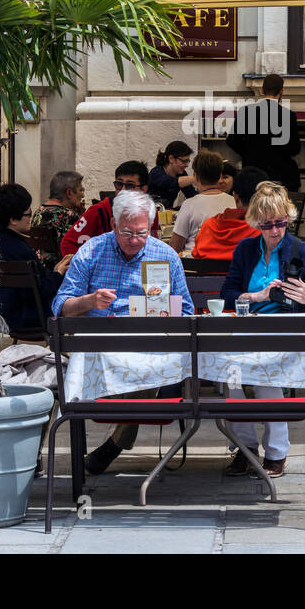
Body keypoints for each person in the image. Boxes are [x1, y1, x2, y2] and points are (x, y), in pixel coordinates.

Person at [51, 191, 194, 475]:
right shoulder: (92, 251)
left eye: (141, 233)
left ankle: (116, 442)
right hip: (98, 347)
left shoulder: (164, 254)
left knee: (150, 365)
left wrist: (164, 311)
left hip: (146, 347)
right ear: (114, 225)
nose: (134, 239)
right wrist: (90, 301)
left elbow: (187, 312)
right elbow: (60, 306)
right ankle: (117, 438)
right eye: (127, 232)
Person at [219, 181, 305, 478]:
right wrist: (258, 296)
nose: (275, 230)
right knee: (230, 377)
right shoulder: (245, 250)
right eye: (268, 224)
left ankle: (277, 453)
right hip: (248, 329)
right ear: (256, 223)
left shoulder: (303, 251)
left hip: (287, 330)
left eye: (281, 223)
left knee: (267, 372)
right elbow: (227, 292)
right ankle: (245, 449)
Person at [0, 184, 71, 339]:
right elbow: (38, 292)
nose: (31, 217)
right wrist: (58, 273)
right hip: (32, 317)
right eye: (28, 214)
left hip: (4, 315)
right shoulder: (20, 249)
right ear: (13, 220)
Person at [59, 160, 158, 256]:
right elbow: (67, 243)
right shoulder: (97, 211)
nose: (123, 190)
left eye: (130, 186)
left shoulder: (150, 212)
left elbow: (152, 248)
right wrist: (85, 267)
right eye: (119, 184)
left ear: (143, 189)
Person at [226, 73, 302, 191]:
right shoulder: (289, 115)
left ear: (262, 90)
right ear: (282, 91)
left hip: (253, 175)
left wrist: (248, 152)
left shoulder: (245, 112)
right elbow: (295, 148)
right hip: (281, 176)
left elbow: (231, 141)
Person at [192, 168, 265, 260]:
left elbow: (196, 256)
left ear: (235, 197)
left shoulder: (208, 226)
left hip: (209, 273)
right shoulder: (265, 232)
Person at [168, 150, 234, 253]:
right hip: (228, 264)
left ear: (196, 177)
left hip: (195, 265)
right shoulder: (234, 202)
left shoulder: (189, 205)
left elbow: (175, 247)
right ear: (219, 177)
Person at [30, 171, 84, 270]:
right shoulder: (69, 216)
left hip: (39, 273)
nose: (83, 195)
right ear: (69, 193)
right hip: (59, 275)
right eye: (81, 190)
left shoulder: (39, 211)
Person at [148, 140, 198, 207]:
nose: (187, 165)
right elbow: (170, 182)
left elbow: (191, 195)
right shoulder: (156, 173)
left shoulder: (181, 173)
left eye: (187, 161)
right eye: (184, 161)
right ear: (171, 158)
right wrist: (198, 177)